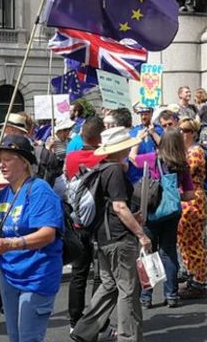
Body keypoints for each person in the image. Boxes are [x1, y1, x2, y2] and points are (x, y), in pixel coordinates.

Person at [0, 135, 64, 342]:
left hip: (37, 276)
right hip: (9, 276)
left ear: (24, 162)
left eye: (7, 159)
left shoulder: (39, 190)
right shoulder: (2, 195)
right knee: (15, 337)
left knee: (28, 338)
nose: (1, 164)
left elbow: (47, 234)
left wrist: (11, 244)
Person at [70, 127, 152, 342]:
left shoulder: (101, 168)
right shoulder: (115, 170)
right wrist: (141, 234)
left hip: (102, 236)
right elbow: (119, 207)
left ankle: (83, 330)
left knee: (109, 285)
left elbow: (110, 207)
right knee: (128, 290)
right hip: (119, 238)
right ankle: (129, 337)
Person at [130, 129, 195, 309]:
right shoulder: (182, 164)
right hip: (172, 213)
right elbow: (190, 194)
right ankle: (171, 294)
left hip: (151, 212)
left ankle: (146, 297)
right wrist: (172, 196)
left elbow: (132, 158)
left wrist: (138, 140)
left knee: (148, 253)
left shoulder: (152, 159)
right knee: (169, 252)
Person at [63, 117, 106, 330]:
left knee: (78, 274)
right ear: (100, 137)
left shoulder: (71, 158)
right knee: (100, 275)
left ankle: (75, 321)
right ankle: (97, 320)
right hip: (100, 222)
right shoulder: (103, 157)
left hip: (77, 221)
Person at [176, 117, 207, 299]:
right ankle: (192, 276)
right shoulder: (185, 151)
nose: (182, 133)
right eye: (180, 130)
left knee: (194, 243)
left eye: (186, 130)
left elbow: (185, 173)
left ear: (193, 133)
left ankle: (199, 281)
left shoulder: (195, 151)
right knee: (185, 242)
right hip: (186, 199)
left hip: (193, 200)